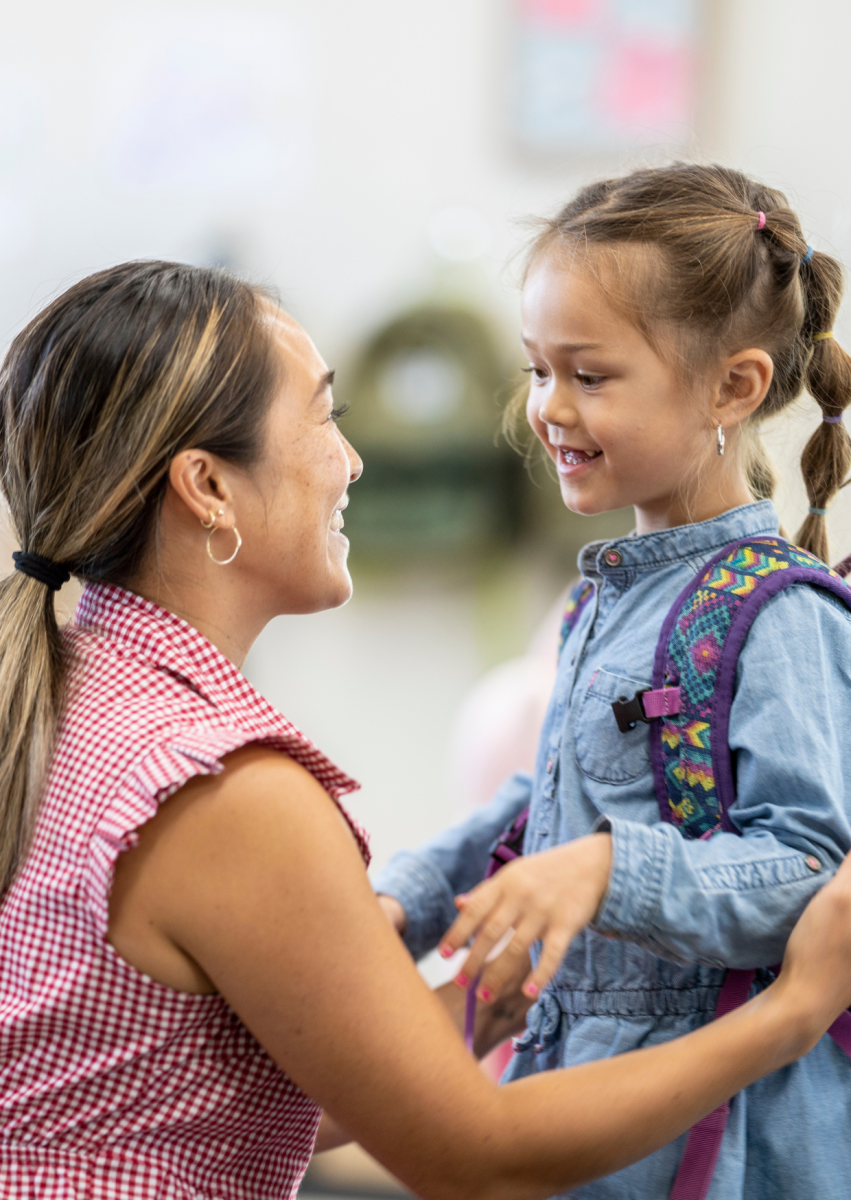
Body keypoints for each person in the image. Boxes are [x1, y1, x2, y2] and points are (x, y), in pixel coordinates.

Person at [0, 262, 850, 1200]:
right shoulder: (216, 786)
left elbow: (192, 1095)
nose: (353, 461)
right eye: (326, 418)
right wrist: (796, 1009)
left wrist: (461, 1003)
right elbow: (476, 1155)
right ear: (206, 486)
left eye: (591, 374)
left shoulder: (71, 700)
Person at [373, 164, 851, 1199]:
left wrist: (602, 869)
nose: (547, 408)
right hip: (577, 1071)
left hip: (717, 1124)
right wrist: (401, 901)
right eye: (536, 369)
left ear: (734, 387)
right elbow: (545, 799)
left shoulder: (782, 616)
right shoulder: (606, 601)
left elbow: (808, 871)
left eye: (588, 376)